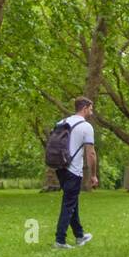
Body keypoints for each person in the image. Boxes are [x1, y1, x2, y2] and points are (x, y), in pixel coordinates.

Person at [53, 97, 97, 249]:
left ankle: (79, 236)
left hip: (60, 168)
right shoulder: (86, 127)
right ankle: (60, 240)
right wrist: (93, 175)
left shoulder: (62, 122)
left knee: (72, 202)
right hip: (73, 170)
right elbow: (90, 153)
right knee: (68, 204)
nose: (92, 111)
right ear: (84, 108)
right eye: (91, 109)